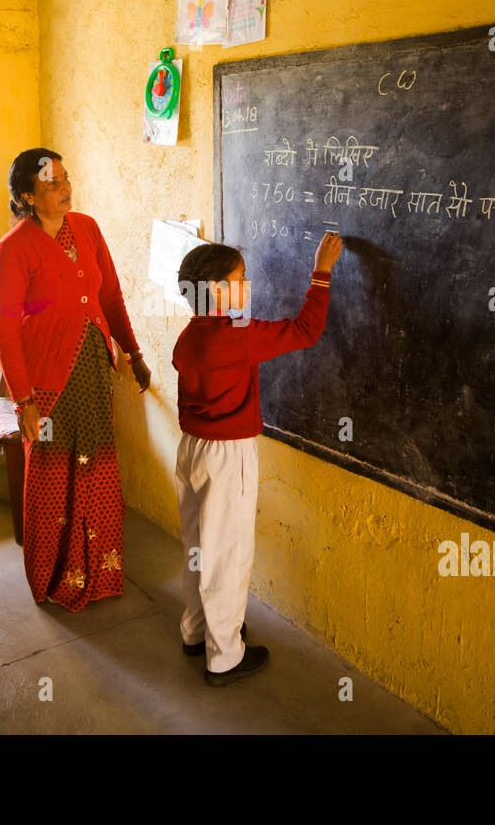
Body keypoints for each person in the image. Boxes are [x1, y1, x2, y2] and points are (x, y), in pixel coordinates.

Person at [171, 231, 343, 685]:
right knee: (227, 553)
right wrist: (321, 274)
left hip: (192, 450)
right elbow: (306, 330)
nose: (249, 286)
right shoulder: (235, 337)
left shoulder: (190, 336)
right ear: (218, 291)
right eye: (241, 278)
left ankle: (197, 630)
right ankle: (225, 655)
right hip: (229, 456)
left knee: (197, 546)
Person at [0, 148, 151, 611]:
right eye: (51, 183)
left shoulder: (87, 227)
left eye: (66, 178)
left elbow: (111, 295)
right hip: (46, 385)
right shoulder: (13, 250)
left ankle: (99, 573)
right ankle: (53, 578)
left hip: (95, 373)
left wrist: (133, 351)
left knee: (96, 471)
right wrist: (24, 403)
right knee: (53, 480)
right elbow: (5, 334)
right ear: (26, 195)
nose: (64, 189)